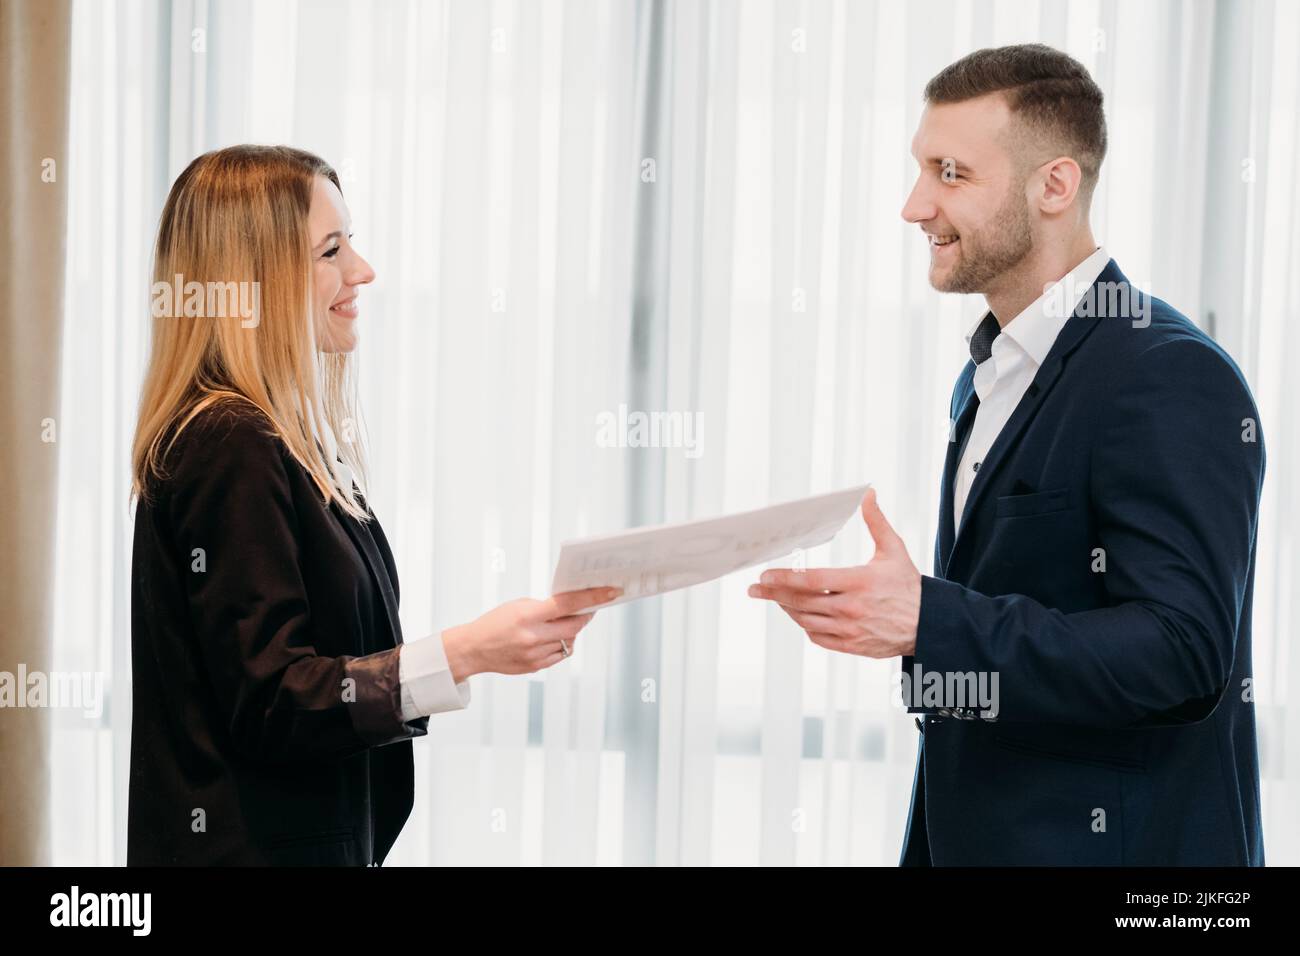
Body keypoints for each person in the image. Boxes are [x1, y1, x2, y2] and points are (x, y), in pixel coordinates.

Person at [748, 44, 1265, 865]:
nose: (915, 205)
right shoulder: (987, 372)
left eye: (950, 173)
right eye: (921, 169)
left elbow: (1183, 653)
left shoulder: (1167, 373)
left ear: (1055, 186)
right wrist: (912, 633)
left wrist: (929, 618)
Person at [127, 145, 618, 865]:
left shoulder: (280, 444)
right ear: (254, 281)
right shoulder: (227, 442)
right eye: (331, 250)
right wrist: (467, 652)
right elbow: (273, 700)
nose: (361, 271)